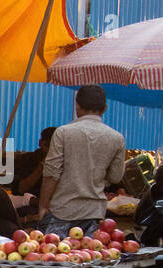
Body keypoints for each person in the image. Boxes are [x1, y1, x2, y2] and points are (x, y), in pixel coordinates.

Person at [40, 85, 126, 236]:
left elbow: (51, 174)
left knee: (58, 256)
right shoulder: (117, 138)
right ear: (104, 108)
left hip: (63, 211)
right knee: (90, 257)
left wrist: (43, 205)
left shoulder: (63, 133)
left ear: (77, 106)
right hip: (95, 214)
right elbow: (115, 177)